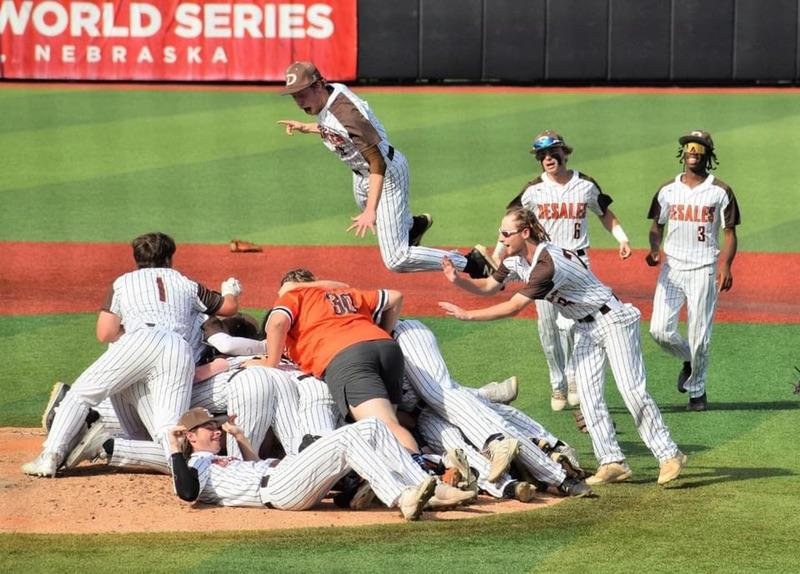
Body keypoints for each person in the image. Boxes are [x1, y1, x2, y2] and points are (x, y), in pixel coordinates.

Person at [439, 207, 687, 486]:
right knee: (589, 397)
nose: (501, 239)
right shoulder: (516, 260)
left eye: (506, 233)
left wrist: (467, 315)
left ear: (525, 233)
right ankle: (612, 461)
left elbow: (513, 307)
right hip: (584, 326)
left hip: (613, 319)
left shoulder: (547, 264)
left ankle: (669, 454)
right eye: (500, 233)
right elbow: (489, 286)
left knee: (631, 390)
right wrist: (458, 281)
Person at [22, 232, 240, 477]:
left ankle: (50, 457)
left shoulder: (123, 282)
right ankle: (190, 476)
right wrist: (230, 290)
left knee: (81, 395)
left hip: (140, 340)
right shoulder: (185, 283)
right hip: (178, 349)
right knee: (167, 428)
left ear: (136, 258)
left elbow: (106, 333)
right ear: (169, 258)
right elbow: (228, 308)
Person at [277, 61, 496, 277]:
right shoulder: (329, 94)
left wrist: (370, 210)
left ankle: (471, 262)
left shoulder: (347, 113)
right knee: (389, 226)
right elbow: (338, 129)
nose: (298, 101)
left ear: (318, 85)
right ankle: (413, 227)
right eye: (295, 96)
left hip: (384, 173)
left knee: (396, 259)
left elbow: (377, 162)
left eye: (301, 94)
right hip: (362, 176)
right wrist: (307, 127)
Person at [492, 130, 632, 412]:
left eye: (552, 153)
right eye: (541, 155)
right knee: (547, 329)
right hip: (542, 265)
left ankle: (573, 379)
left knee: (573, 325)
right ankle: (556, 382)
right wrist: (498, 254)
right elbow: (511, 222)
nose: (547, 158)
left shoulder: (585, 185)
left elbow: (604, 213)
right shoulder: (533, 190)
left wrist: (622, 237)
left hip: (578, 264)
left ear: (564, 153)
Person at [168, 408, 474, 520]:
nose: (217, 430)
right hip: (278, 492)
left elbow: (257, 466)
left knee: (373, 427)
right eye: (210, 428)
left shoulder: (219, 458)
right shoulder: (196, 466)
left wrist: (241, 437)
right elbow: (186, 494)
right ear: (192, 437)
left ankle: (426, 489)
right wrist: (173, 449)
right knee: (345, 439)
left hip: (283, 478)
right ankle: (400, 497)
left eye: (216, 425)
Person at [250, 268, 425, 460]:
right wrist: (382, 332)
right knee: (389, 423)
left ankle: (420, 468)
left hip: (347, 357)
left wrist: (270, 362)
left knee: (383, 426)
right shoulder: (343, 292)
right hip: (387, 349)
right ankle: (412, 467)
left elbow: (277, 323)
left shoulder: (293, 295)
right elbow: (395, 297)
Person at [646, 130, 740, 412]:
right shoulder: (667, 190)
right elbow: (656, 226)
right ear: (683, 153)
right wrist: (654, 248)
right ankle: (689, 358)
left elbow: (730, 233)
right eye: (689, 147)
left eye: (699, 148)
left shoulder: (720, 191)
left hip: (704, 269)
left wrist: (725, 264)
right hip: (672, 268)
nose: (693, 152)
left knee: (700, 334)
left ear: (708, 154)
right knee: (658, 330)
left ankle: (697, 391)